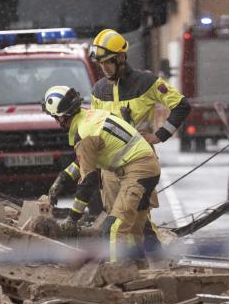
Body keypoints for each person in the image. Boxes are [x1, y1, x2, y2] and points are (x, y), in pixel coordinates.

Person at [48, 29, 191, 254]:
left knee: (136, 222)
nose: (103, 69)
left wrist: (159, 136)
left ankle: (149, 266)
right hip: (109, 168)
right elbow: (92, 141)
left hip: (138, 161)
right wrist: (68, 174)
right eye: (100, 64)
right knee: (123, 223)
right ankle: (138, 266)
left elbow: (182, 105)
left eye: (107, 63)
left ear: (121, 57)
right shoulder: (98, 90)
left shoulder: (147, 82)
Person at [42, 85, 161, 262]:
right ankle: (146, 270)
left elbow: (88, 181)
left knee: (113, 228)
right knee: (136, 228)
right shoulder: (90, 117)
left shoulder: (85, 133)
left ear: (61, 117)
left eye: (54, 118)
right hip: (145, 165)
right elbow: (85, 161)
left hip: (138, 169)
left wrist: (72, 218)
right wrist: (63, 178)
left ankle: (114, 277)